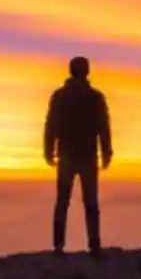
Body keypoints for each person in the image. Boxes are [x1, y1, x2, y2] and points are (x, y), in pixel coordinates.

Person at [44, 56, 112, 255]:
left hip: (67, 155)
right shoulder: (95, 97)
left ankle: (58, 246)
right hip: (88, 155)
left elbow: (51, 125)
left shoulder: (59, 96)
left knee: (62, 202)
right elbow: (103, 126)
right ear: (87, 71)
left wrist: (48, 149)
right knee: (91, 202)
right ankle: (94, 244)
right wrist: (106, 151)